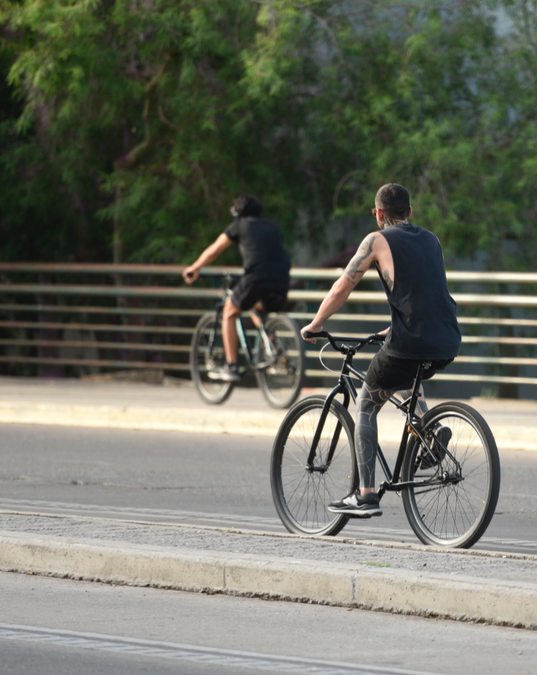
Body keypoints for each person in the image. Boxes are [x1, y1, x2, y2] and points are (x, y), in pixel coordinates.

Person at [301, 183, 462, 517]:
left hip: (412, 339)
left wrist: (315, 324)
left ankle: (366, 494)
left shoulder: (376, 240)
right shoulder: (432, 239)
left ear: (378, 214)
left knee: (366, 402)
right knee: (404, 372)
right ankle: (430, 429)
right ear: (410, 212)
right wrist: (394, 327)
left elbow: (342, 285)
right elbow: (425, 292)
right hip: (447, 336)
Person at [183, 195, 291, 382]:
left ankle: (231, 365)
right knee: (257, 308)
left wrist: (195, 267)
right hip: (282, 278)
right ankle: (277, 351)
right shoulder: (273, 226)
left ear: (236, 213)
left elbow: (214, 250)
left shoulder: (239, 226)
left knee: (230, 312)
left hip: (257, 277)